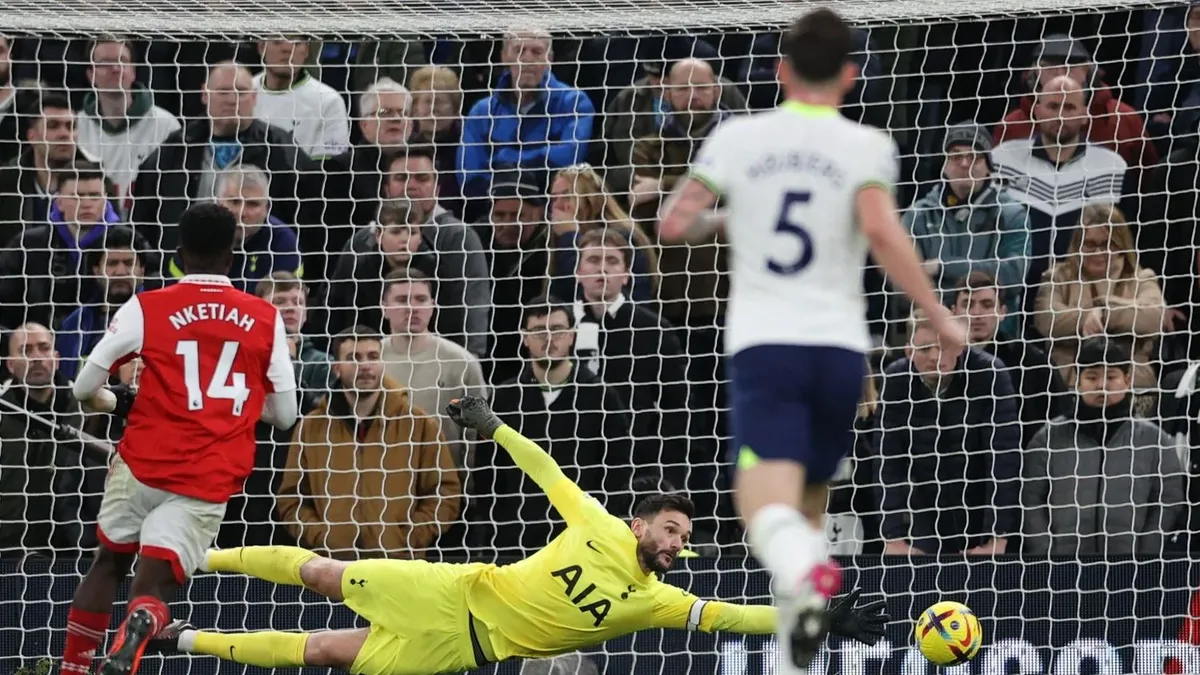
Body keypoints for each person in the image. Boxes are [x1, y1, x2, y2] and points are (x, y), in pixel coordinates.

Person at [146, 395, 888, 674]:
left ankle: (178, 639)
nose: (674, 542)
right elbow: (548, 472)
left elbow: (734, 616)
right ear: (640, 523)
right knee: (320, 573)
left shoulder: (652, 600)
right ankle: (198, 555)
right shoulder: (598, 526)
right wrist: (497, 426)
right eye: (669, 528)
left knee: (319, 652)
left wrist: (814, 616)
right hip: (451, 587)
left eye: (681, 537)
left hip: (457, 649)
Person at [657, 8, 966, 671]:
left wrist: (727, 217)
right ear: (850, 76)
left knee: (761, 506)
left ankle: (813, 581)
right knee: (810, 500)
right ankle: (801, 627)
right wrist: (937, 313)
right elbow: (884, 234)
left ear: (779, 71)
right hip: (839, 352)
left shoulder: (738, 138)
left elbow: (672, 224)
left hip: (767, 345)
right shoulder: (868, 145)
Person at [61, 202, 300, 675]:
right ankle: (143, 621)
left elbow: (83, 387)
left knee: (108, 562)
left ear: (178, 254)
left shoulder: (146, 306)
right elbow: (286, 416)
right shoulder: (265, 317)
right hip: (207, 475)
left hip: (142, 461)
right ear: (232, 256)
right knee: (154, 579)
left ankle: (72, 668)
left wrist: (116, 402)